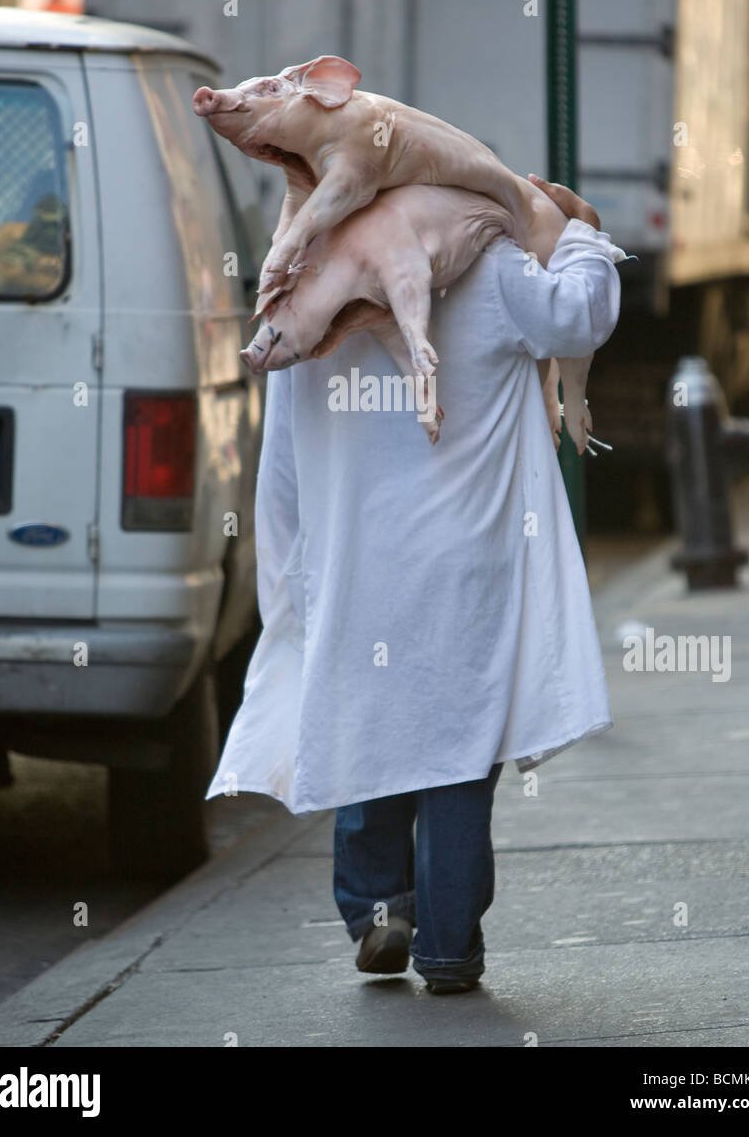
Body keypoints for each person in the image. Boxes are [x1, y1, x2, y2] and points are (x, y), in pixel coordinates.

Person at [208, 175, 624, 994]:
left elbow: (281, 459)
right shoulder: (494, 269)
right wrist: (577, 232)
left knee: (368, 727)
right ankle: (449, 947)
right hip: (469, 570)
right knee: (459, 751)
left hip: (357, 562)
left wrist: (288, 575)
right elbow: (579, 315)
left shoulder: (313, 288)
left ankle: (376, 910)